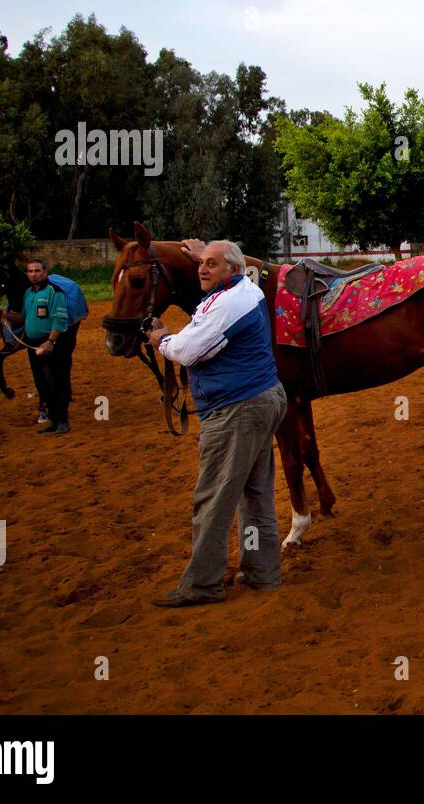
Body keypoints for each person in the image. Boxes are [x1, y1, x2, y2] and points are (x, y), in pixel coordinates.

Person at [144, 239, 289, 607]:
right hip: (261, 400)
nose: (202, 270)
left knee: (213, 499)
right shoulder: (244, 290)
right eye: (200, 263)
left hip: (236, 411)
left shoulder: (228, 303)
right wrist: (204, 256)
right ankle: (262, 572)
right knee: (254, 494)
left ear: (233, 270)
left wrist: (163, 339)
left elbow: (188, 350)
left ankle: (202, 584)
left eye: (211, 264)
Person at [21, 258, 73, 435]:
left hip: (51, 344)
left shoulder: (54, 291)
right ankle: (53, 420)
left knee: (56, 382)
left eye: (37, 271)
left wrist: (51, 341)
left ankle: (63, 422)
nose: (34, 274)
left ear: (45, 272)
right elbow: (24, 317)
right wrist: (4, 315)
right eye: (30, 271)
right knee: (41, 383)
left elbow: (59, 318)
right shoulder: (28, 293)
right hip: (32, 345)